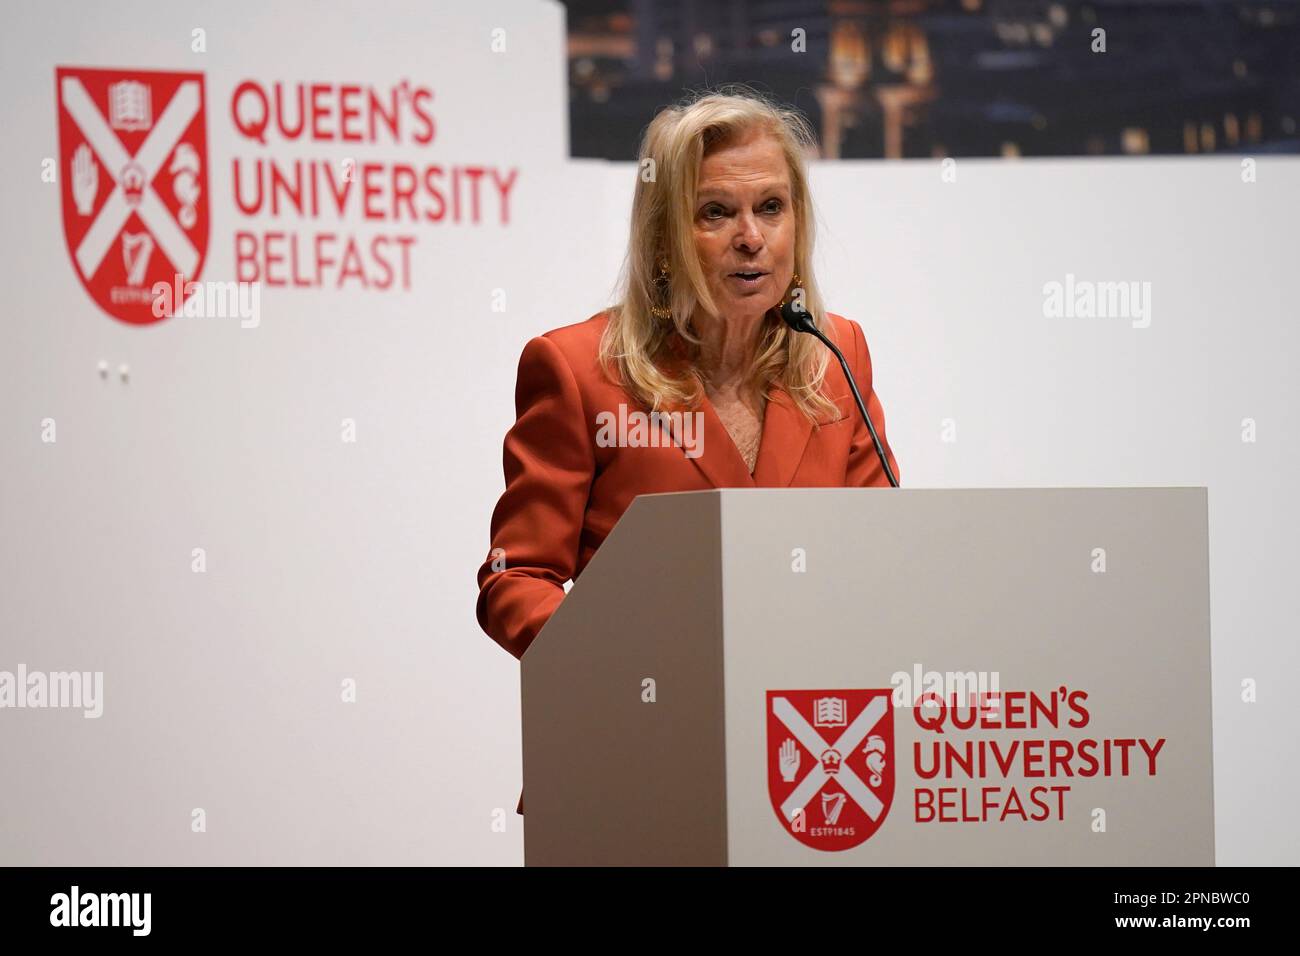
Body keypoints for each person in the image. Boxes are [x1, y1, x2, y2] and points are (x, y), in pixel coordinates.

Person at [475, 88, 901, 814]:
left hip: (813, 770)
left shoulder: (837, 358)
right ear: (665, 234)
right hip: (634, 764)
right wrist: (630, 668)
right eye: (716, 212)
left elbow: (881, 554)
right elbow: (516, 580)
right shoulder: (577, 370)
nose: (751, 237)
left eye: (772, 208)